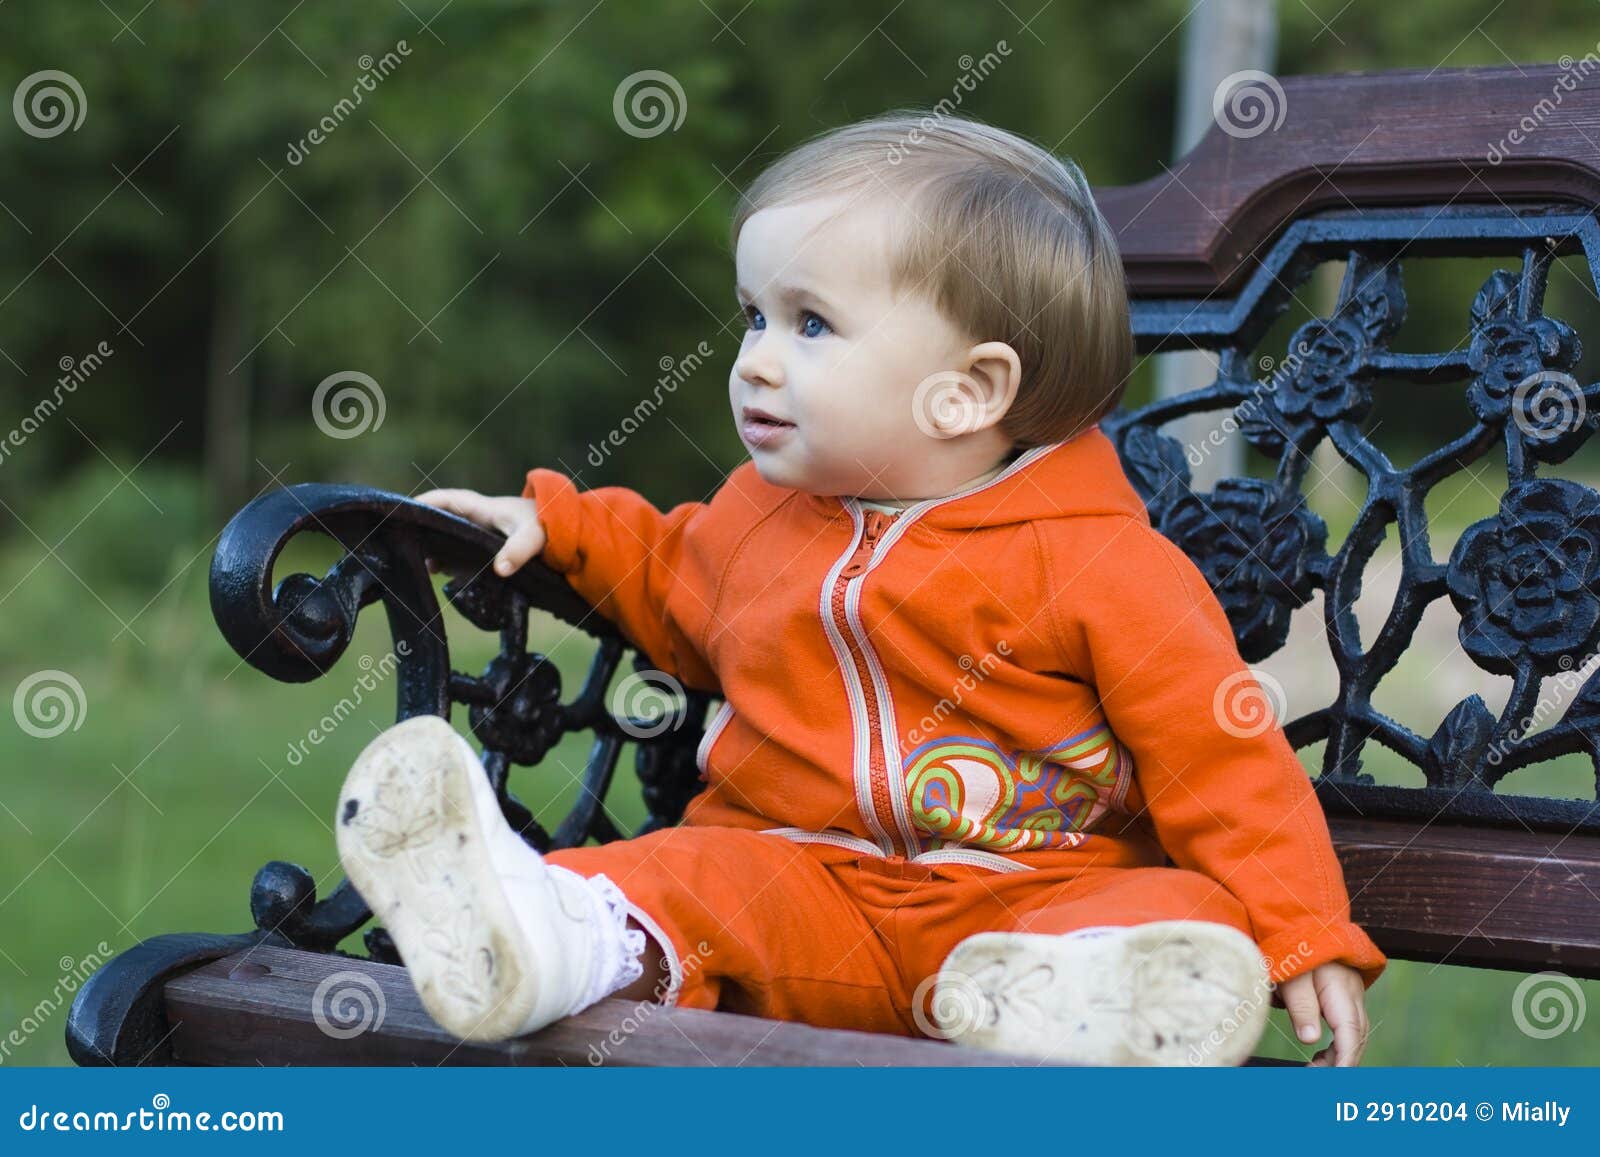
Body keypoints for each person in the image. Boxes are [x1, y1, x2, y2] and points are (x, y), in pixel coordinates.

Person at [334, 109, 1384, 1067]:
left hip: (1025, 898)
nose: (753, 362)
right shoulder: (759, 519)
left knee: (1163, 903)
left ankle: (1083, 1005)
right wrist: (556, 524)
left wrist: (1300, 929)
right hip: (800, 884)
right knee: (680, 877)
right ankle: (521, 937)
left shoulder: (1099, 563)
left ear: (967, 390)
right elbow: (666, 571)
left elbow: (1224, 759)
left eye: (810, 325)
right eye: (753, 317)